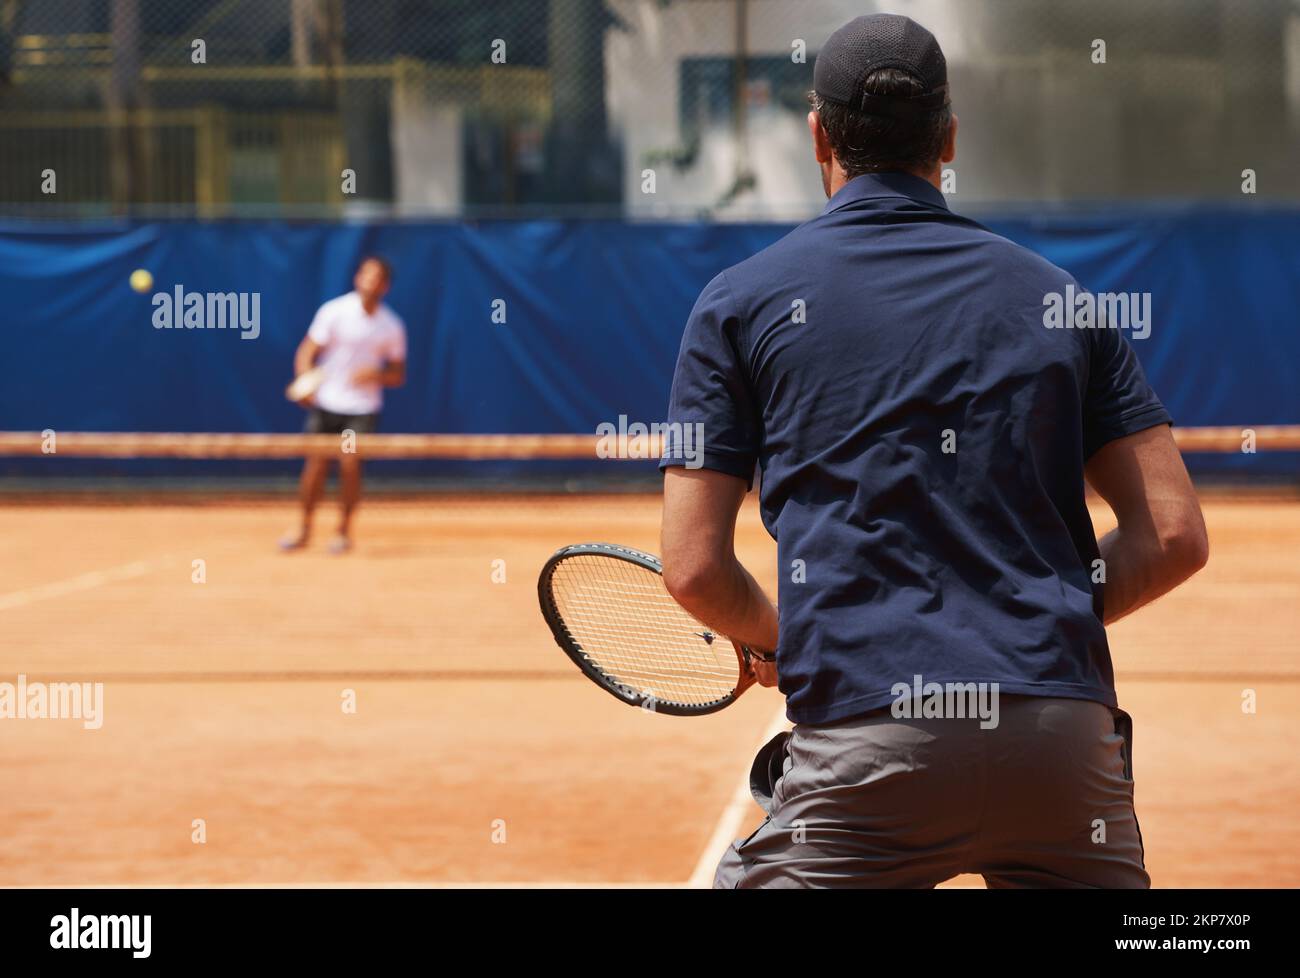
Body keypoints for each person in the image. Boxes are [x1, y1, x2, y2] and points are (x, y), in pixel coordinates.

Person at [658, 13, 1208, 888]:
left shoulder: (738, 304)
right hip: (1061, 747)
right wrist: (1035, 620)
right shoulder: (1061, 296)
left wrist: (789, 635)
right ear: (949, 136)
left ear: (816, 137)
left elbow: (691, 570)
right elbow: (1174, 534)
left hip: (866, 752)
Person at [280, 256, 406, 554]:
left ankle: (342, 532)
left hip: (362, 409)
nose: (369, 281)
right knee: (316, 465)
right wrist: (304, 381)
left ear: (384, 286)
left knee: (349, 465)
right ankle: (304, 527)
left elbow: (398, 374)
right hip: (326, 404)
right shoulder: (334, 311)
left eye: (376, 277)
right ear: (357, 279)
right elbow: (307, 350)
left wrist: (376, 374)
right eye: (365, 274)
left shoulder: (391, 326)